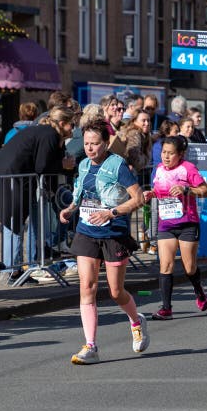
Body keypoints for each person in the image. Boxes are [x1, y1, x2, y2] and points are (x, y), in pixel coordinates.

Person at [59, 118, 148, 365]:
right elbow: (81, 195)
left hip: (113, 233)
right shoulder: (84, 165)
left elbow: (138, 199)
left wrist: (112, 212)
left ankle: (137, 321)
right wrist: (70, 209)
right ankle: (91, 346)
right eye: (87, 143)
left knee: (116, 291)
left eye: (95, 144)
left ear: (106, 143)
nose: (89, 148)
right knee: (87, 286)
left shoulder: (117, 165)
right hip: (87, 231)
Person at [0, 107, 75, 282]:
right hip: (10, 177)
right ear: (62, 123)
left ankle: (19, 268)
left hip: (13, 176)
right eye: (71, 124)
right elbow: (42, 166)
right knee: (13, 223)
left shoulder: (50, 134)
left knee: (17, 223)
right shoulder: (48, 134)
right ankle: (12, 271)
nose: (73, 129)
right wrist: (63, 165)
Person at [145, 136, 207, 320]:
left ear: (180, 154)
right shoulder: (158, 169)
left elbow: (205, 190)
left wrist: (187, 190)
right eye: (164, 152)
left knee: (189, 267)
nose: (166, 157)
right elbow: (159, 190)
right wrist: (151, 194)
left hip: (187, 223)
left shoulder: (188, 168)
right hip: (166, 223)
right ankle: (166, 308)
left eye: (171, 153)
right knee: (166, 265)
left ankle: (199, 290)